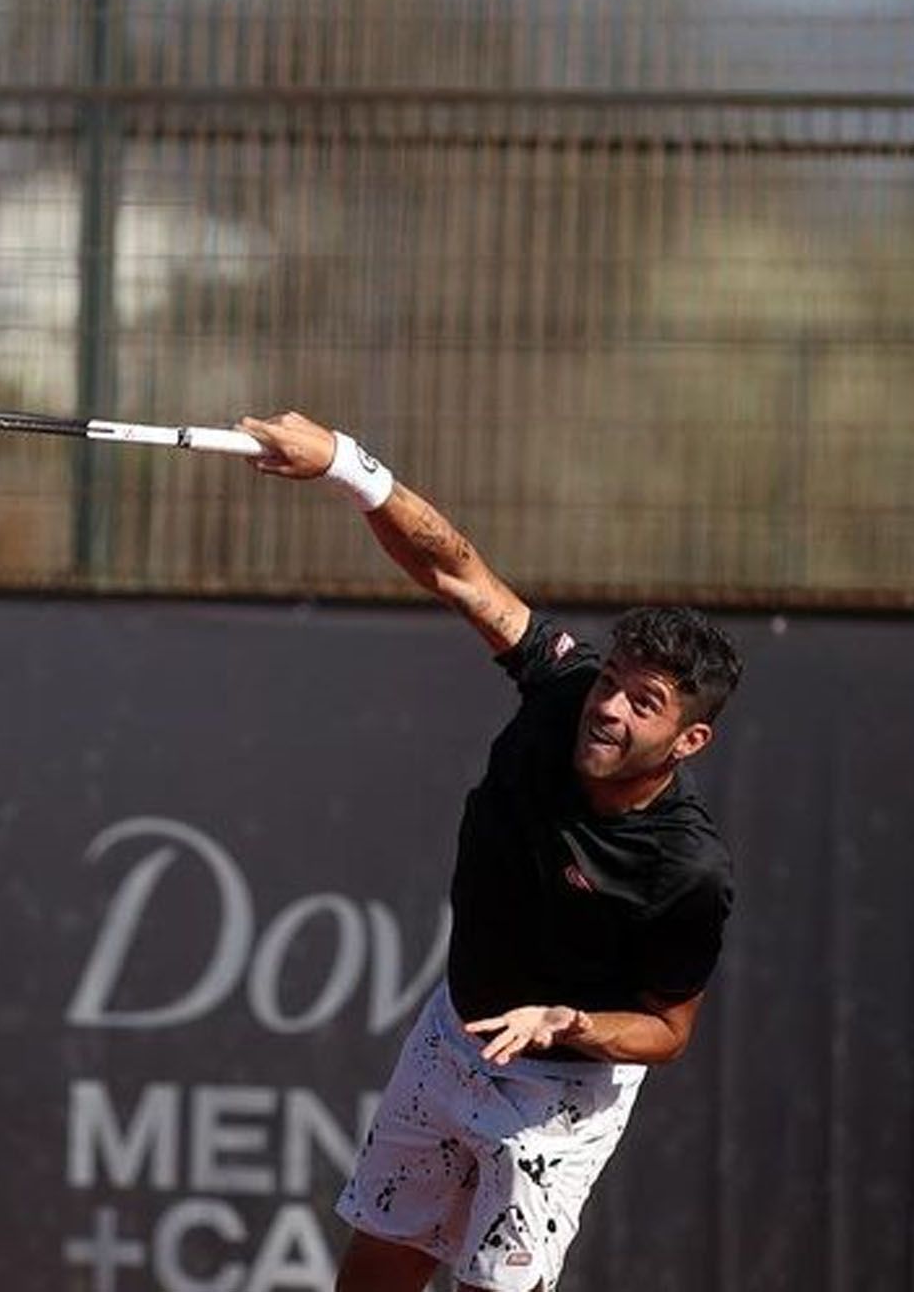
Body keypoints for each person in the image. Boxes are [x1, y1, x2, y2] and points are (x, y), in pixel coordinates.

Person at [240, 411, 744, 1292]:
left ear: (688, 739)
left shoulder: (686, 869)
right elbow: (457, 570)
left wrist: (571, 1023)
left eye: (644, 702)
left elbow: (668, 1031)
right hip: (452, 1035)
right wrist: (348, 466)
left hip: (560, 1099)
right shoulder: (561, 687)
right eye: (614, 681)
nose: (610, 707)